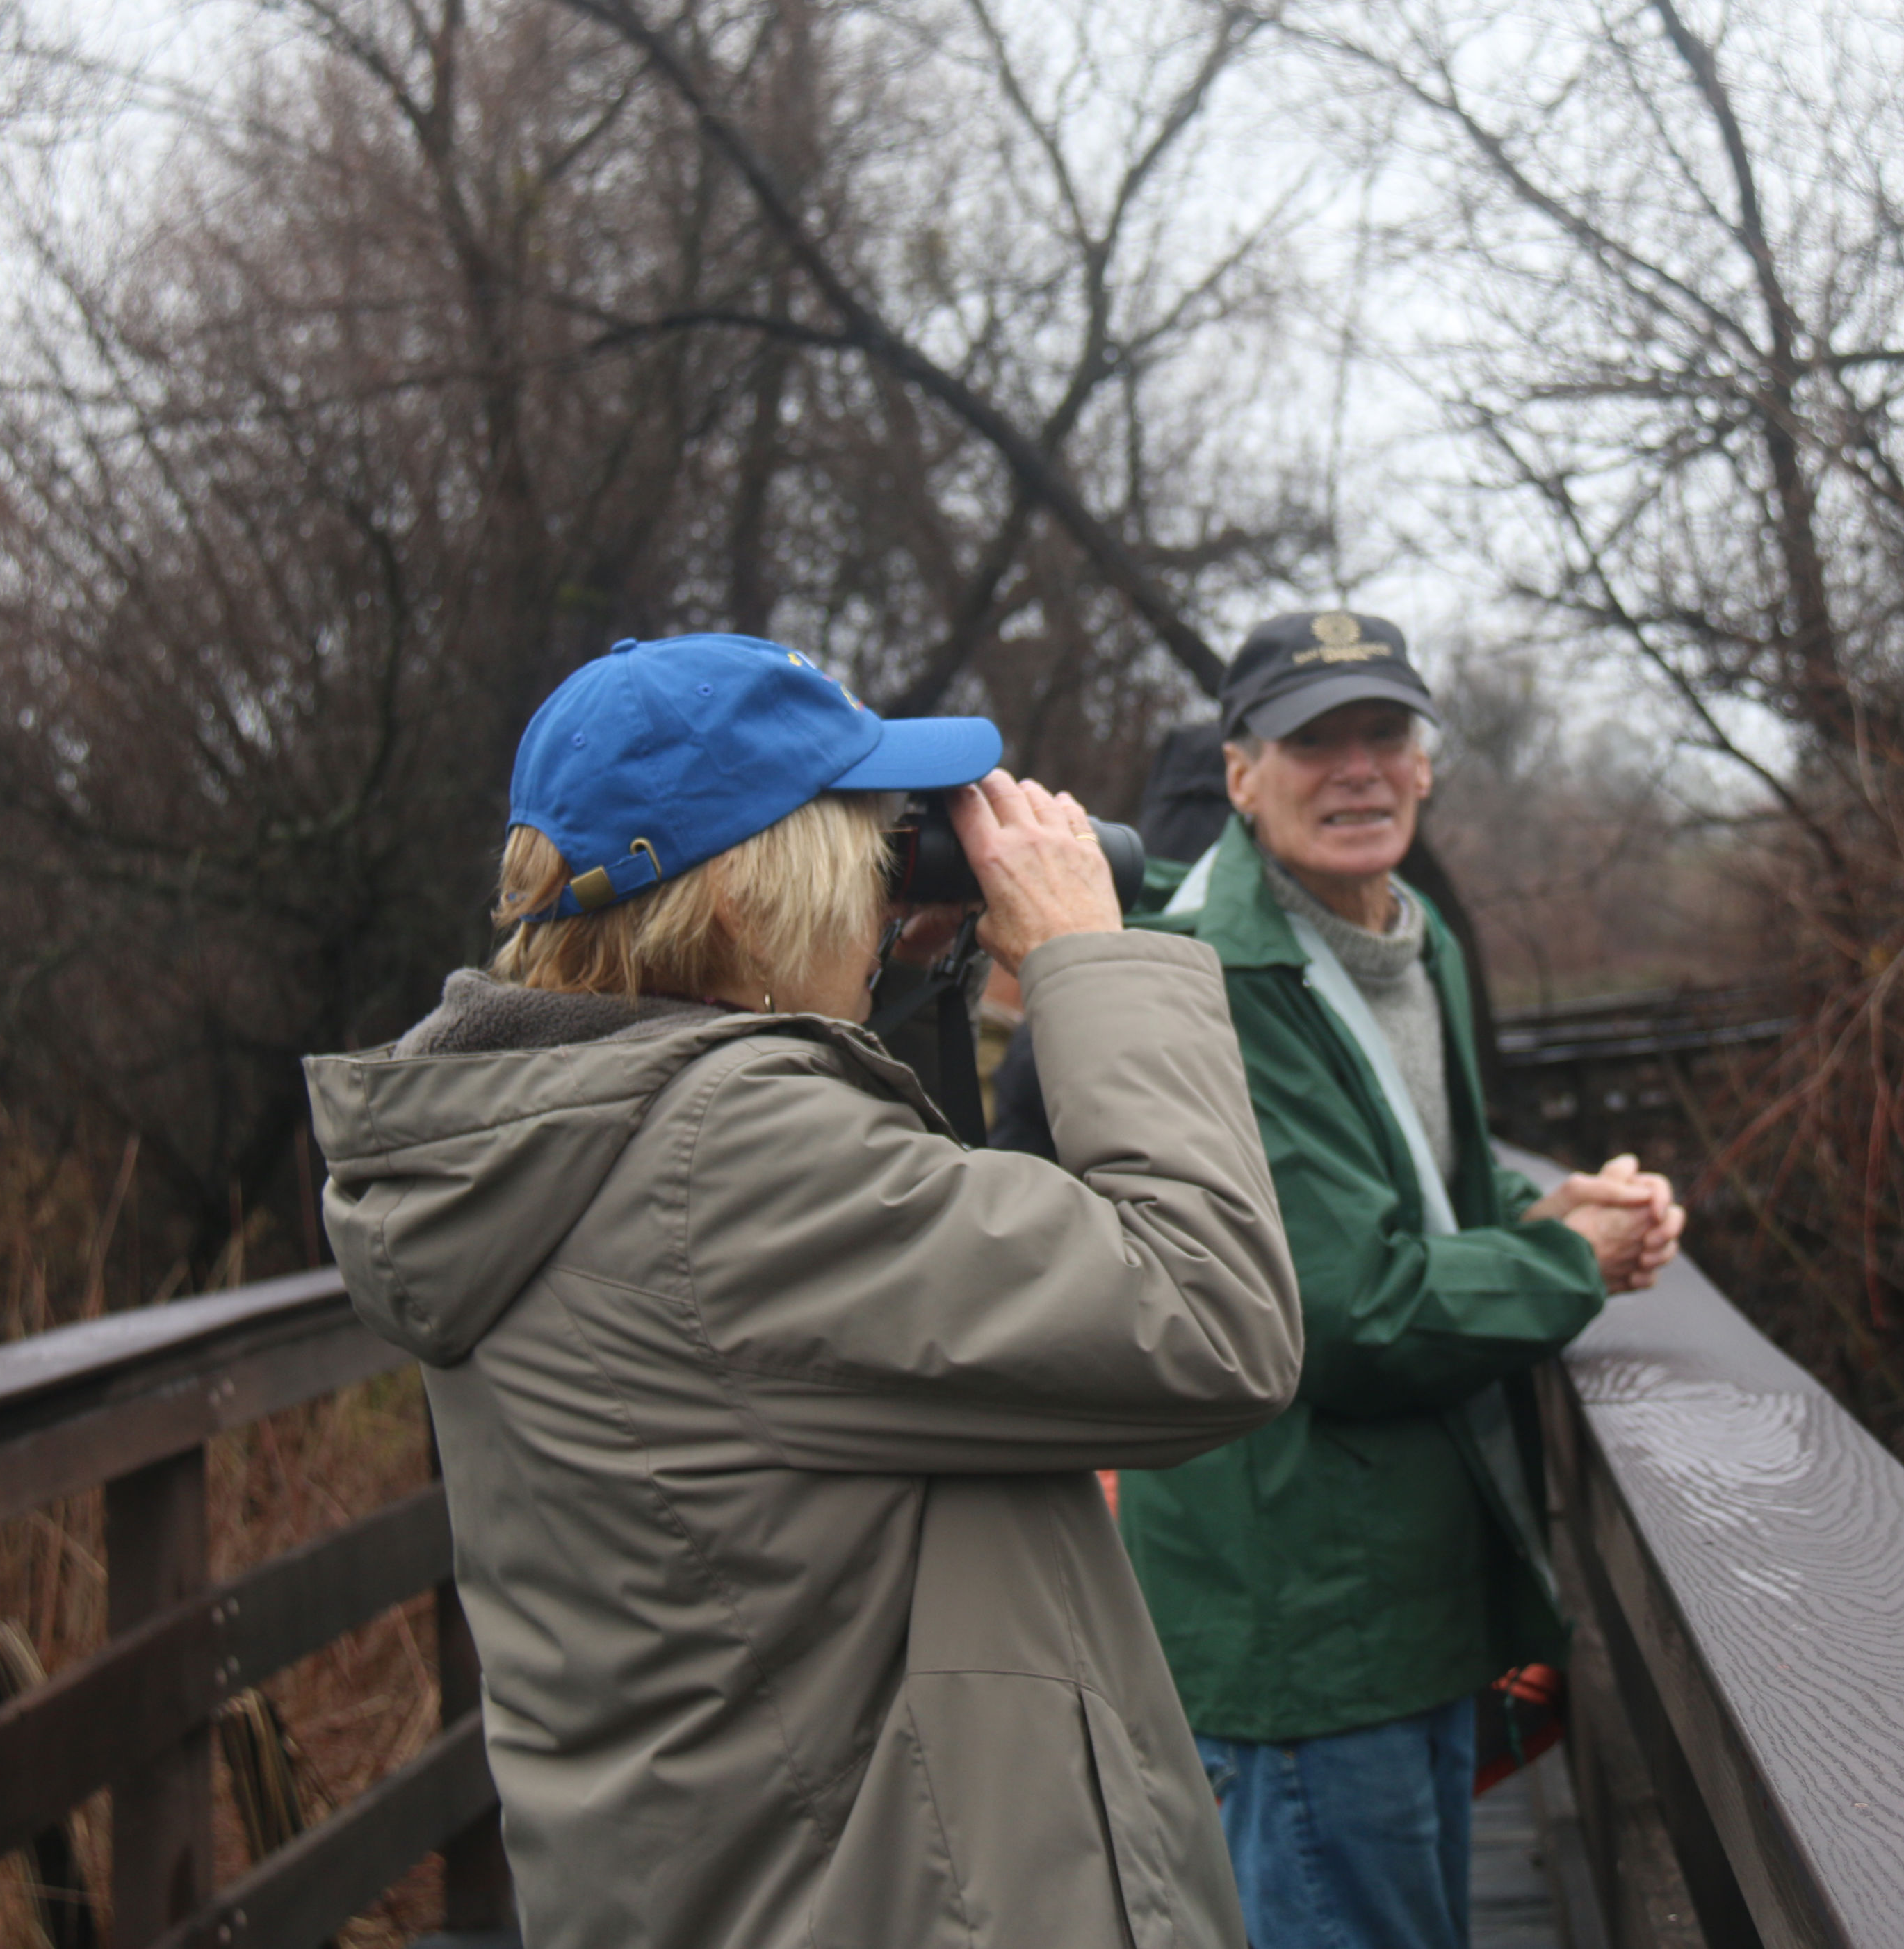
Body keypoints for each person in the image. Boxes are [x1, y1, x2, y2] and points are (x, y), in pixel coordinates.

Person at [304, 633, 1304, 1949]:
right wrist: (1085, 959)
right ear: (747, 900)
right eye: (862, 835)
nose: (894, 860)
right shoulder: (720, 1166)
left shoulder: (570, 1138)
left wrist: (892, 971)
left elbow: (858, 1284)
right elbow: (1210, 1311)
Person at [1117, 609, 1686, 1949]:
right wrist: (1564, 1262)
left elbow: (1428, 1175)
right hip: (1305, 1613)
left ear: (1427, 764)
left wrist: (1545, 1210)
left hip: (1409, 1584)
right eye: (1315, 740)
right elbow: (1344, 1311)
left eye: (1386, 732)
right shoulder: (1222, 976)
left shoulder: (1405, 932)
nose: (1359, 768)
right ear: (1241, 773)